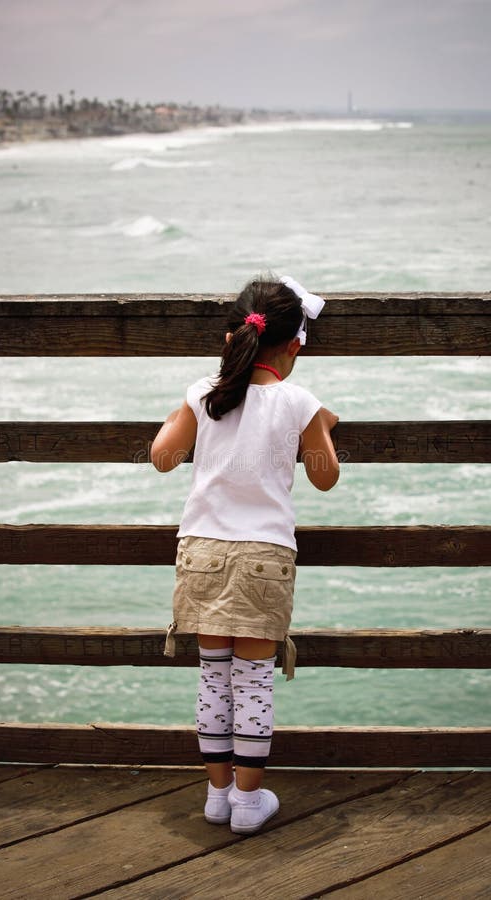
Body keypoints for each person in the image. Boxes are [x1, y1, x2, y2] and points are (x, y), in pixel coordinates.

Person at [151, 274, 340, 835]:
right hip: (264, 555)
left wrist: (174, 419)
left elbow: (163, 457)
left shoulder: (204, 392)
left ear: (233, 335)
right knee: (253, 680)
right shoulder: (299, 402)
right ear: (295, 345)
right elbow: (325, 478)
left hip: (202, 551)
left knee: (213, 676)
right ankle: (248, 804)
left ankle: (217, 795)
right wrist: (323, 430)